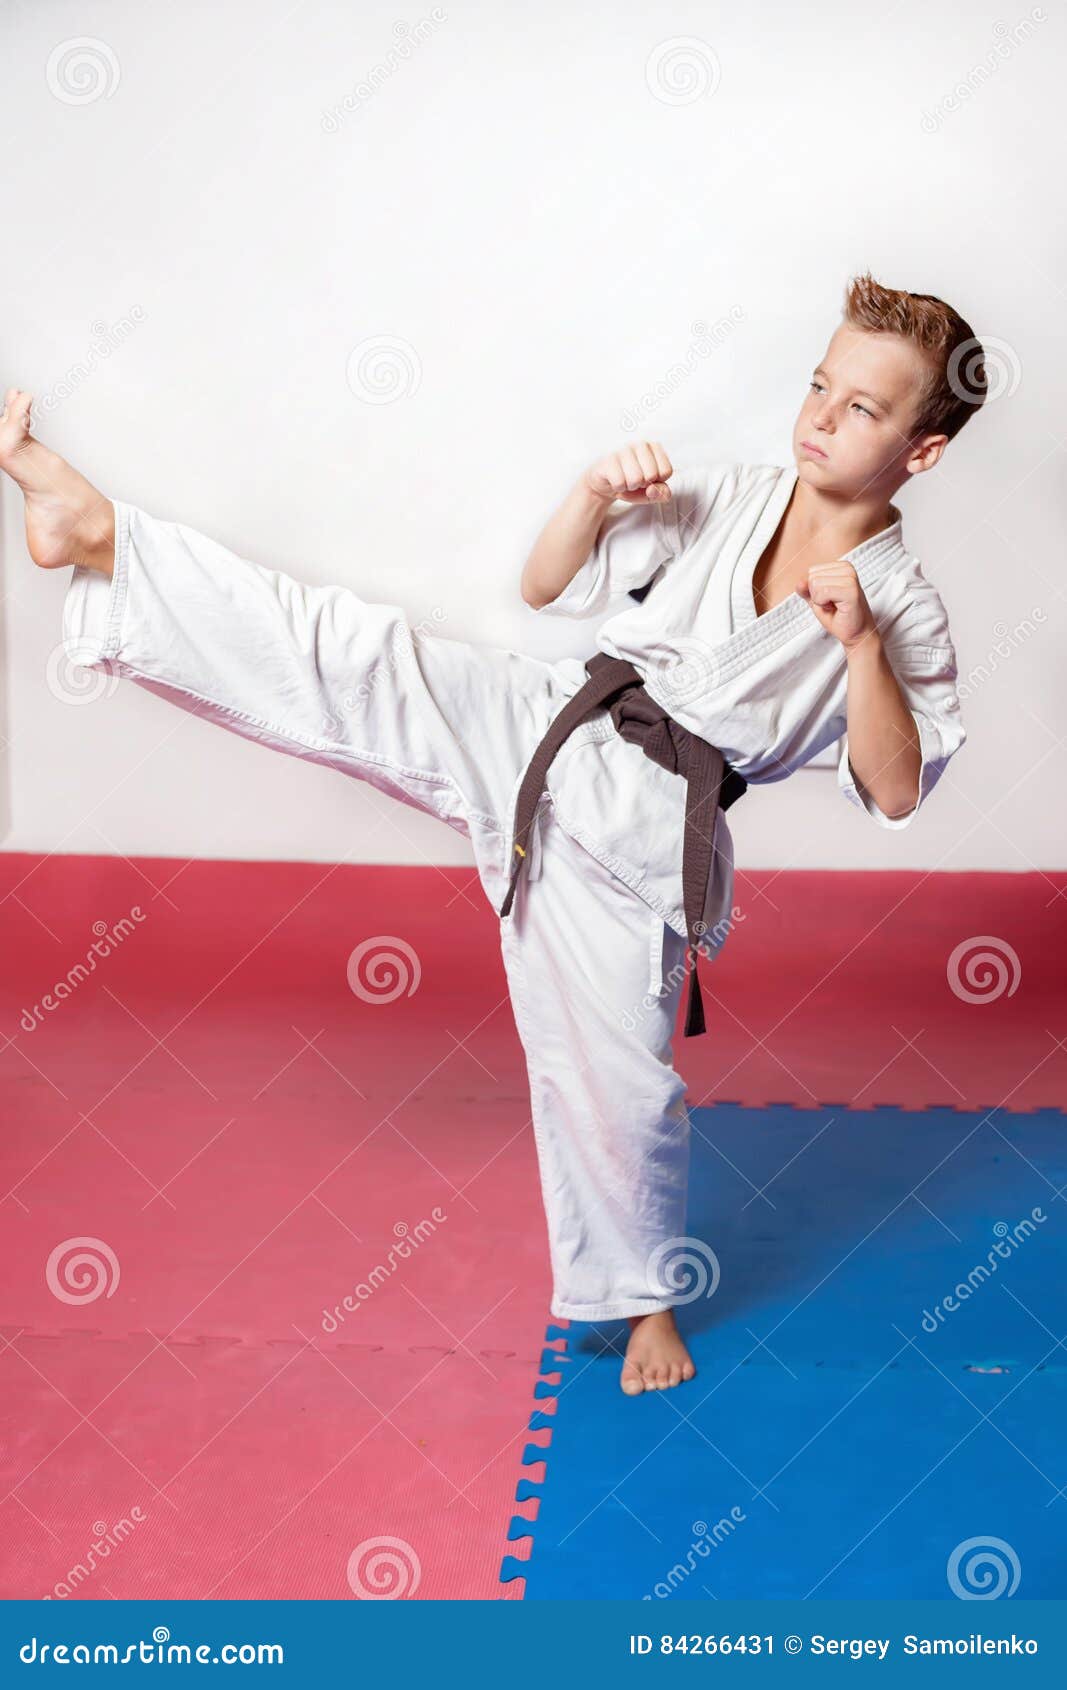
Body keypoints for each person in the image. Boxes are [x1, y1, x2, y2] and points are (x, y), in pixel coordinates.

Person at [0, 271, 982, 1395]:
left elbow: (894, 789)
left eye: (861, 406)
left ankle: (641, 1297)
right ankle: (100, 534)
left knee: (616, 1073)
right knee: (355, 652)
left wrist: (858, 648)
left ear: (921, 449)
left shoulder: (897, 601)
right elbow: (544, 583)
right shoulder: (731, 494)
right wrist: (589, 496)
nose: (818, 414)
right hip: (547, 719)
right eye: (818, 384)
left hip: (641, 836)